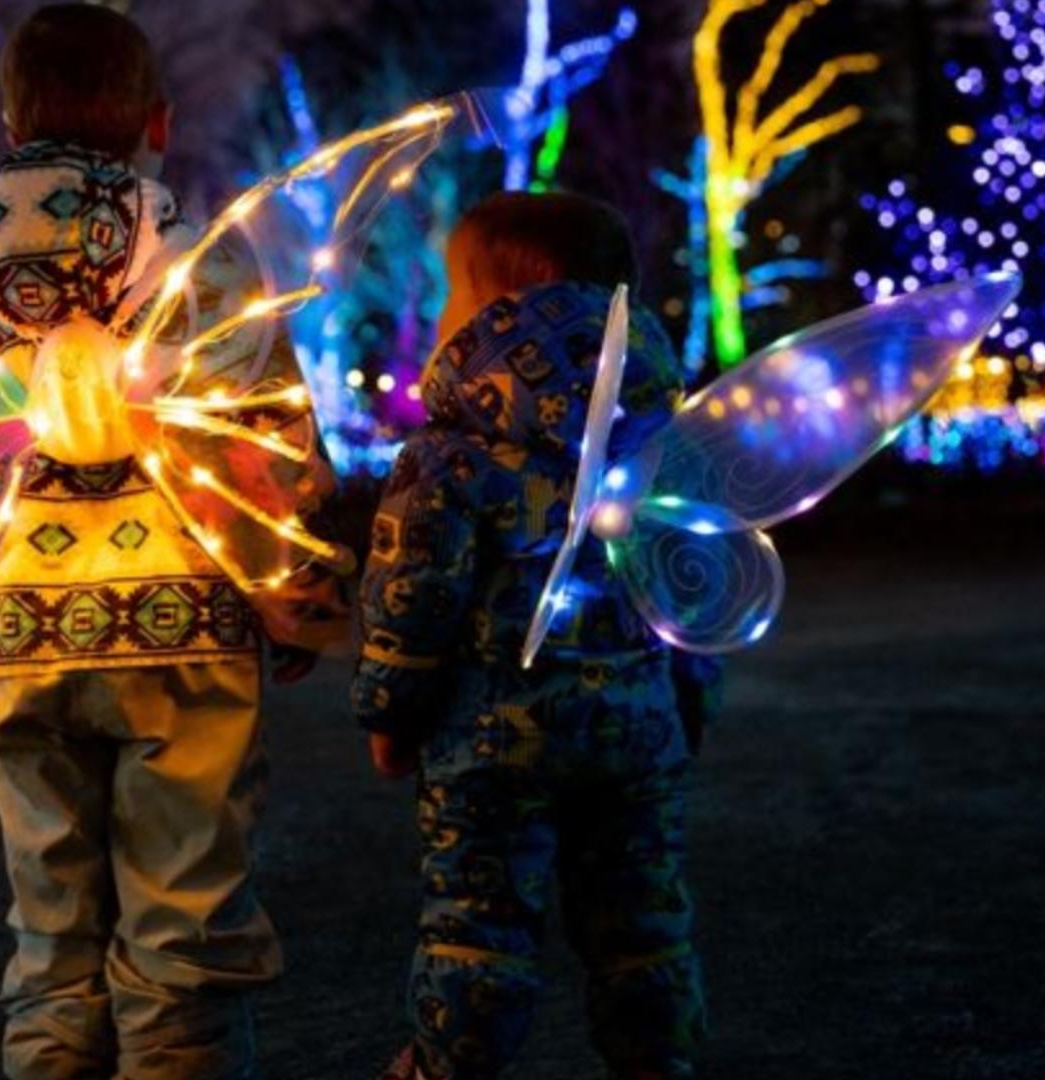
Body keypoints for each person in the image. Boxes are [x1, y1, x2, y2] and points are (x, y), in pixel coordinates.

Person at [0, 6, 339, 1077]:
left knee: (50, 931)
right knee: (183, 924)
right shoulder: (205, 266)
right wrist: (289, 600)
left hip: (24, 630)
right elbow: (268, 452)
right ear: (156, 124)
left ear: (11, 116)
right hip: (187, 633)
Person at [353, 191, 722, 1080]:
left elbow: (410, 604)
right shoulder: (668, 449)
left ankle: (450, 1064)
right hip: (634, 730)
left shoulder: (447, 458)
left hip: (488, 744)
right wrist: (688, 706)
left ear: (494, 315)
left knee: (476, 926)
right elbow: (696, 596)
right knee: (643, 921)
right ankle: (658, 1062)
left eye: (450, 297)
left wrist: (390, 714)